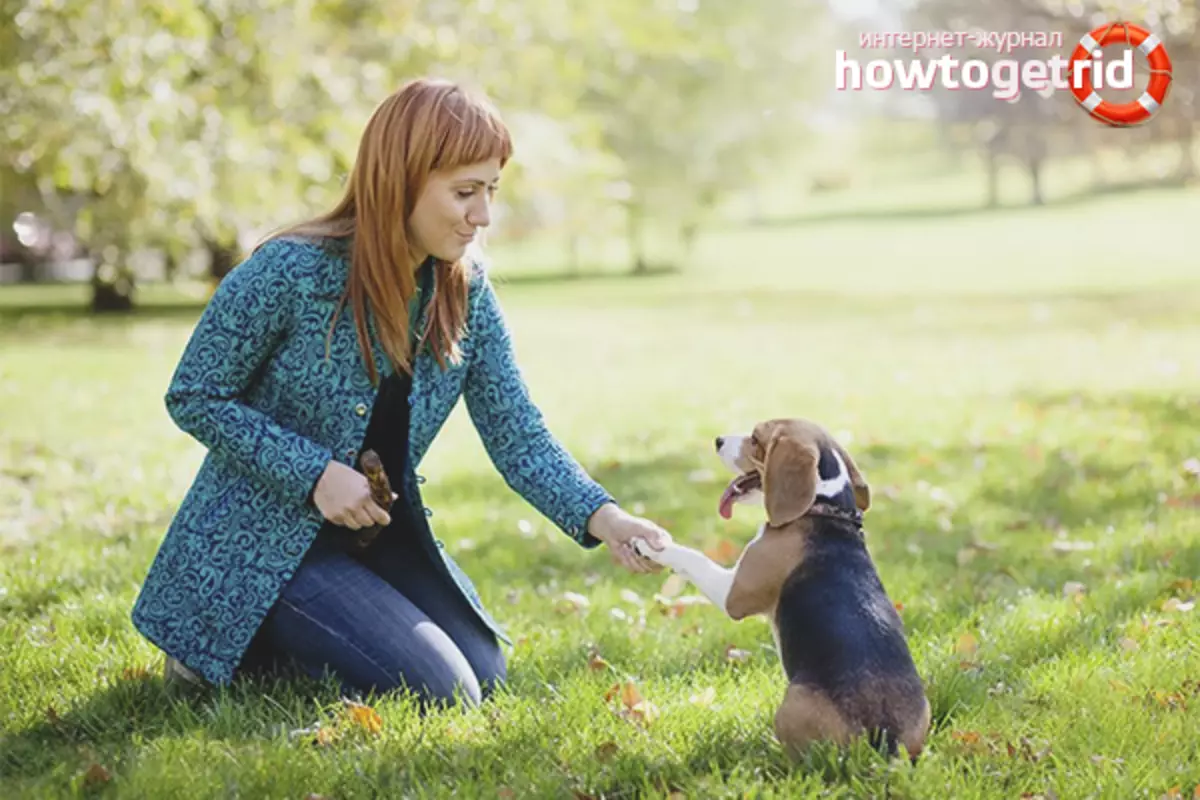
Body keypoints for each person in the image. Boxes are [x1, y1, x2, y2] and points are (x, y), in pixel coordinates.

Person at [130, 77, 671, 708]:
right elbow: (195, 393)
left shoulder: (466, 291)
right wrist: (314, 474)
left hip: (371, 542)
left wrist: (607, 520)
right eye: (465, 192)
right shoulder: (288, 271)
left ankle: (295, 645)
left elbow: (516, 432)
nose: (484, 215)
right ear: (400, 179)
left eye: (492, 190)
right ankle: (231, 636)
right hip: (263, 549)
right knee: (445, 692)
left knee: (485, 673)